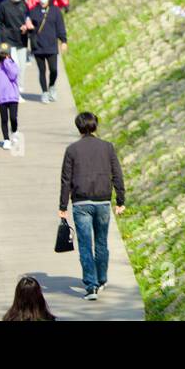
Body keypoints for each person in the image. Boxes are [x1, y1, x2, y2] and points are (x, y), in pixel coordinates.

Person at [58, 112, 125, 300]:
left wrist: (62, 206)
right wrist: (120, 201)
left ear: (78, 127)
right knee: (102, 243)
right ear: (95, 126)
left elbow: (66, 180)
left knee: (85, 245)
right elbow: (117, 175)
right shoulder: (107, 148)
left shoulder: (72, 150)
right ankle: (102, 279)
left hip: (81, 203)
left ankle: (91, 286)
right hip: (103, 201)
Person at [28, 0, 67, 102]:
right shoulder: (33, 11)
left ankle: (52, 86)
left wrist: (63, 41)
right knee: (42, 70)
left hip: (51, 45)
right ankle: (44, 92)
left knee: (54, 69)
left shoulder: (55, 10)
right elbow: (30, 29)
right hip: (38, 46)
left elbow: (60, 26)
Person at [0, 0, 32, 91]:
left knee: (22, 67)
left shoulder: (24, 6)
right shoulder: (3, 6)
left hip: (21, 40)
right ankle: (13, 90)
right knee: (13, 67)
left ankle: (19, 87)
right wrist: (0, 44)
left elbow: (29, 20)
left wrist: (26, 27)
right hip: (8, 41)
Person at [0, 43, 22, 150]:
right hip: (1, 98)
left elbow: (13, 75)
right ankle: (6, 139)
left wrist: (7, 62)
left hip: (12, 97)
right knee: (4, 119)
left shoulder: (13, 65)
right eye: (2, 54)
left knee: (13, 117)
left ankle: (14, 131)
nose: (4, 56)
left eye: (6, 54)